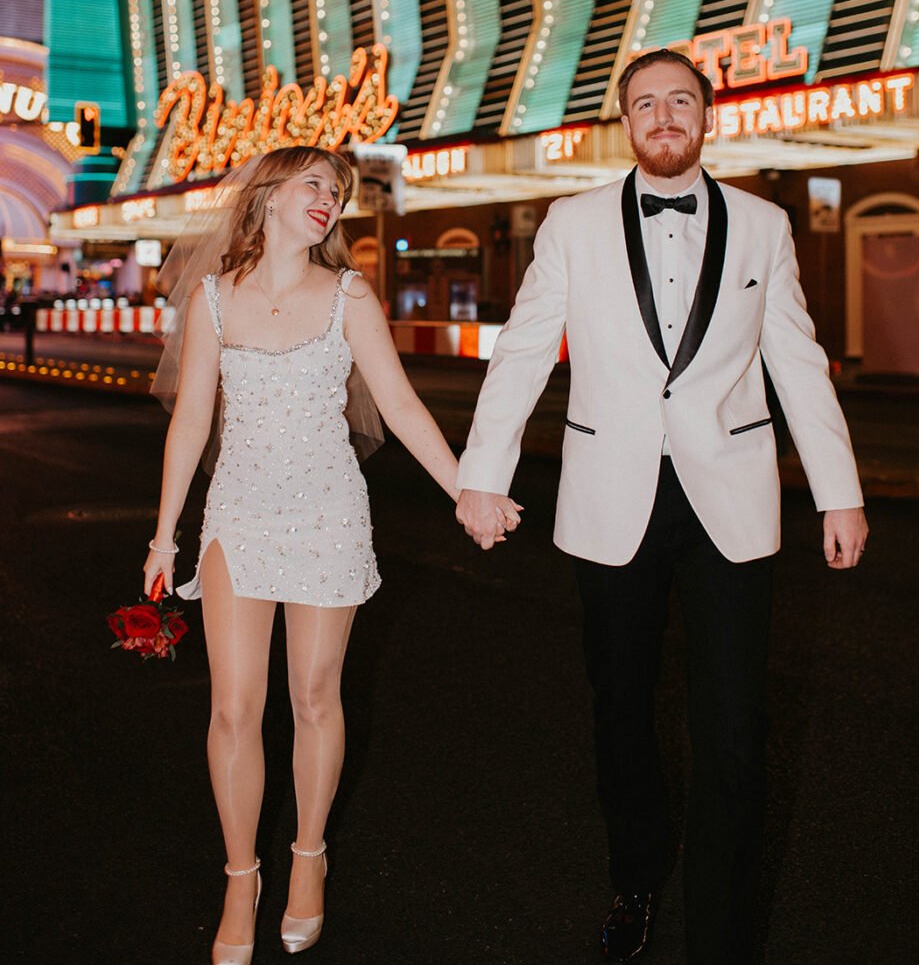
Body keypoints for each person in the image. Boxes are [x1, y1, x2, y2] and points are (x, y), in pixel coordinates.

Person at [454, 49, 867, 964]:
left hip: (732, 499)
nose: (664, 115)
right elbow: (523, 351)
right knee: (622, 708)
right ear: (627, 123)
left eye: (681, 99)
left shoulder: (763, 225)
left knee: (732, 724)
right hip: (610, 497)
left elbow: (797, 360)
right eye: (646, 103)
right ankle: (636, 878)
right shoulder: (570, 223)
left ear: (707, 116)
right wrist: (483, 473)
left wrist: (837, 492)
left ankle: (720, 933)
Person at [143, 145, 459, 965]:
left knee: (316, 696)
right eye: (315, 184)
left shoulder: (348, 293)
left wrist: (466, 490)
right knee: (232, 707)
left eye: (339, 191)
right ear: (269, 194)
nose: (329, 199)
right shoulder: (212, 299)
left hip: (327, 511)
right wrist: (163, 532)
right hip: (237, 515)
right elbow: (190, 424)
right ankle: (240, 877)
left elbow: (399, 403)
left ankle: (308, 858)